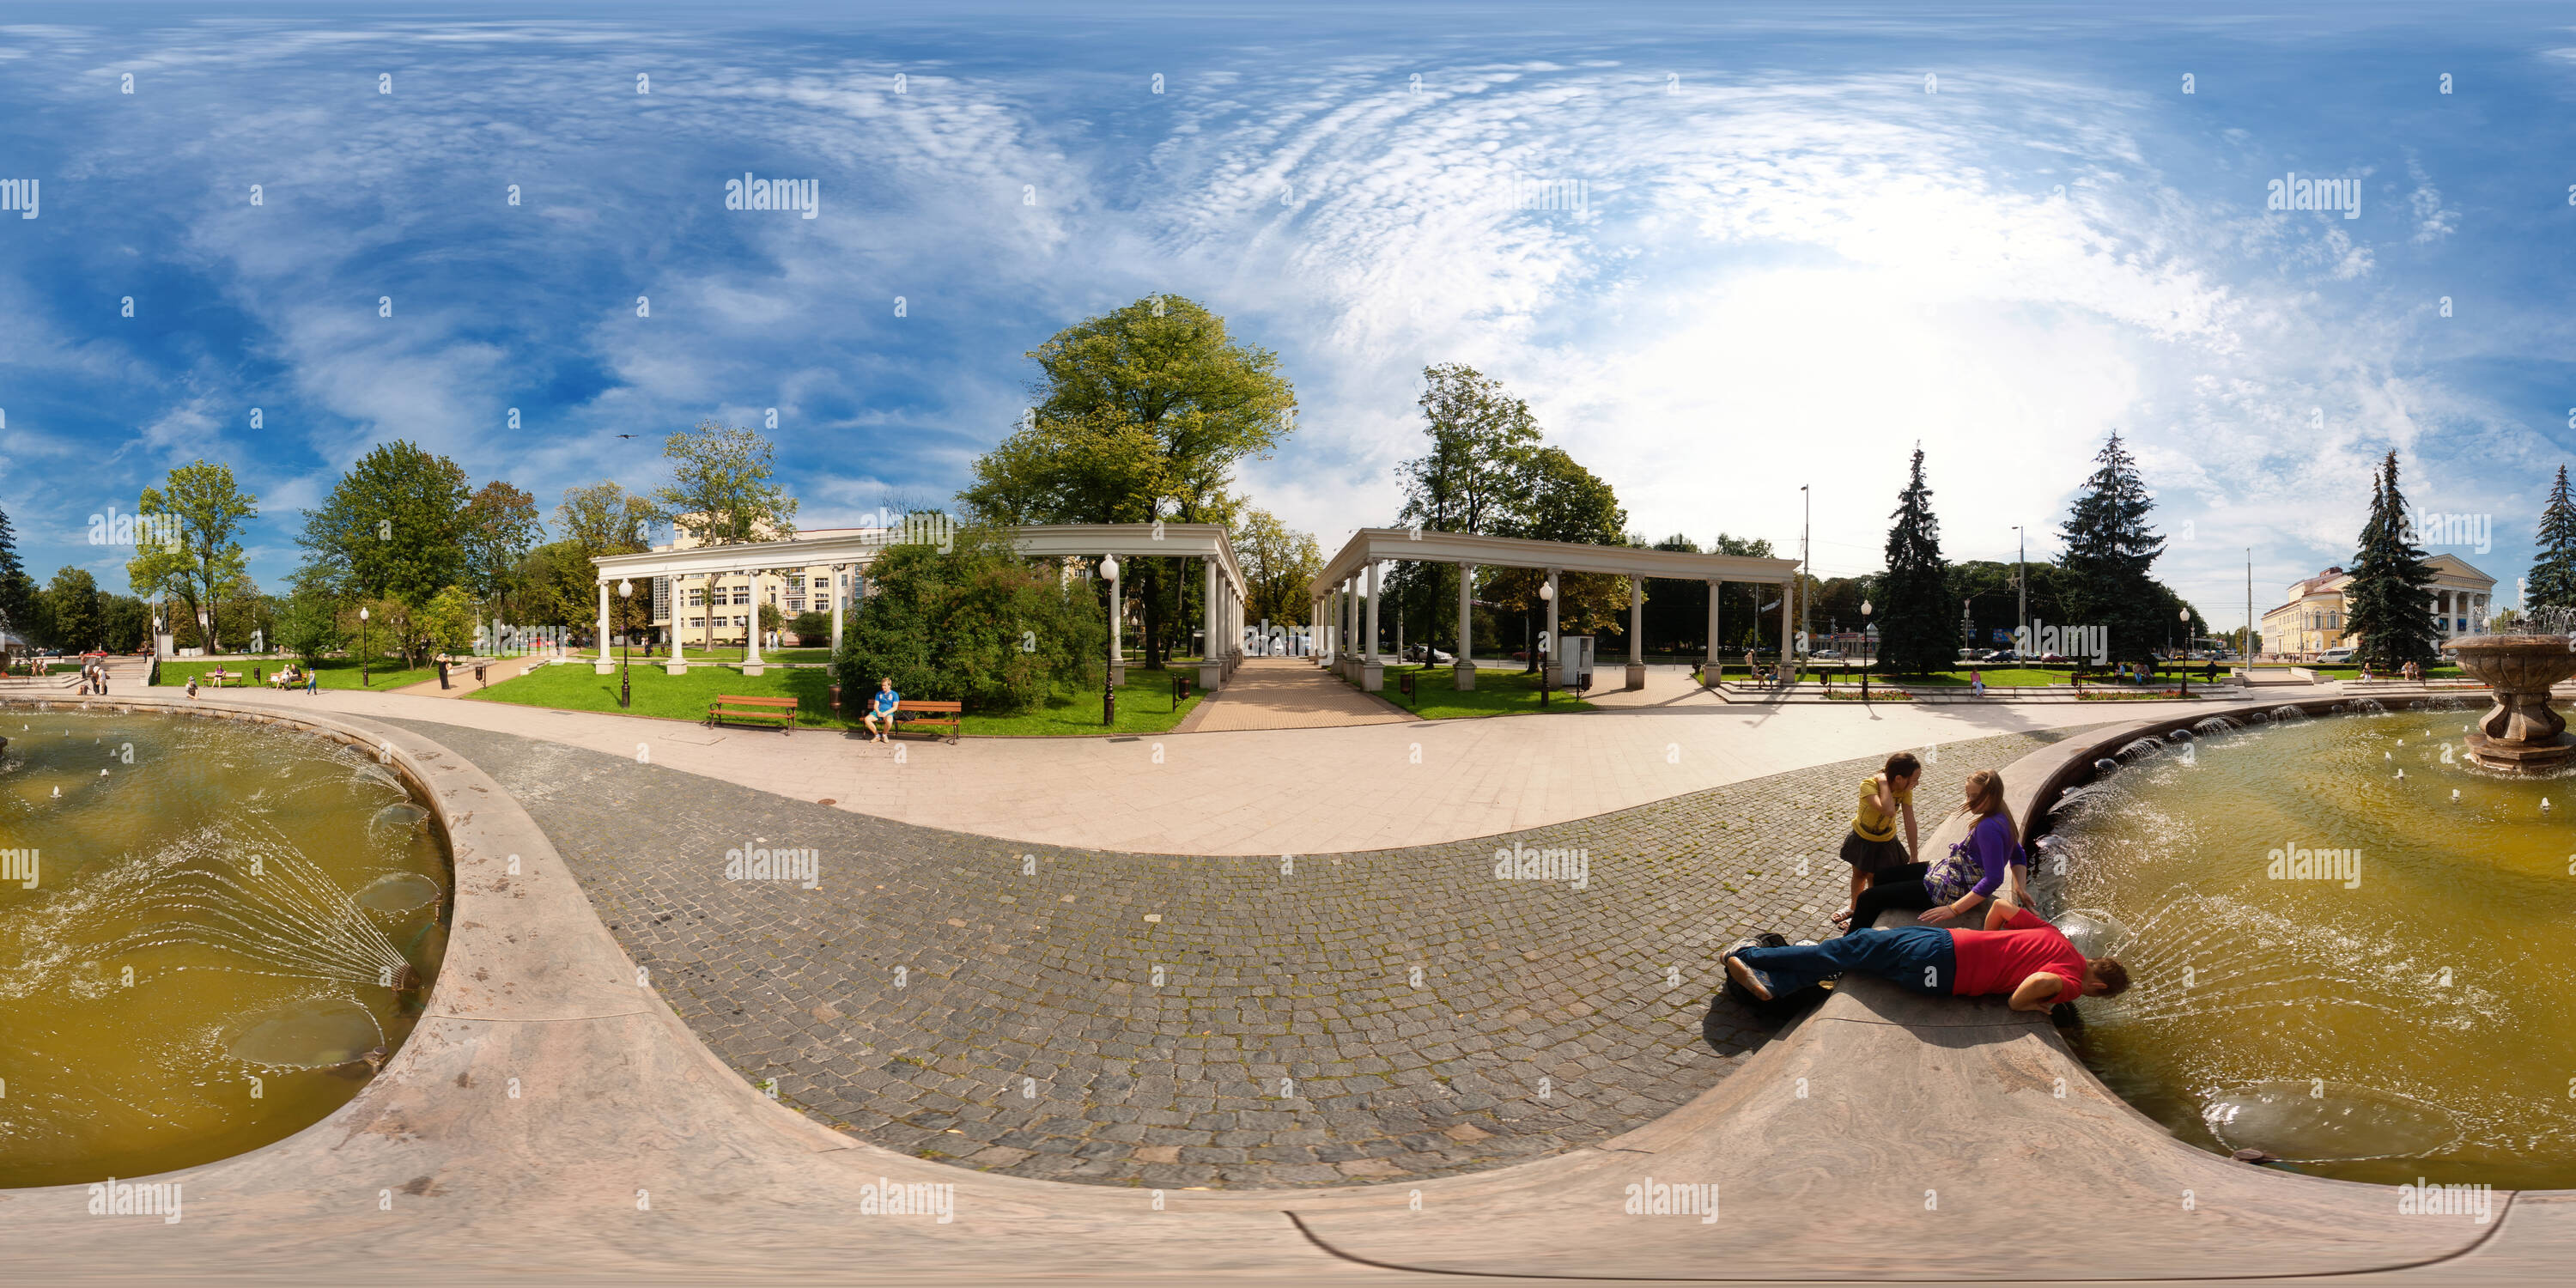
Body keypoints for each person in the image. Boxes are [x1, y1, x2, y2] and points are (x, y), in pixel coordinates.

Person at [1729, 891, 2129, 1009]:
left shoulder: (2059, 942)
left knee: (1853, 947)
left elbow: (2003, 908)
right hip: (1936, 983)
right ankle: (1775, 985)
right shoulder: (2075, 987)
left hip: (1945, 947)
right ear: (2099, 988)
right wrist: (2034, 1002)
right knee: (1859, 961)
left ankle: (1751, 956)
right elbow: (2037, 984)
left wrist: (1992, 943)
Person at [1844, 769, 2029, 935]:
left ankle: (1850, 944)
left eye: (1975, 797)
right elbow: (2017, 852)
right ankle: (1866, 923)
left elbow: (1994, 878)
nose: (1969, 801)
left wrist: (1954, 909)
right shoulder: (2002, 816)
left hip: (1952, 888)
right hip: (1952, 871)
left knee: (1869, 898)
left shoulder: (1989, 826)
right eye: (1968, 795)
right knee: (1883, 876)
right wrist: (2020, 887)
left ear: (1992, 796)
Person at [1832, 752, 1922, 927]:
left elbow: (1910, 821)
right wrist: (1882, 782)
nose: (1917, 784)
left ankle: (1863, 915)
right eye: (1914, 779)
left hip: (1885, 842)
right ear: (1899, 778)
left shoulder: (1904, 791)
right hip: (1862, 838)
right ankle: (1853, 907)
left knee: (1874, 879)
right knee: (1859, 875)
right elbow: (1887, 810)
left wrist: (1914, 855)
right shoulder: (1868, 785)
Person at [862, 677, 902, 743]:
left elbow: (895, 707)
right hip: (878, 712)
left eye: (885, 685)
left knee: (889, 720)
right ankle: (877, 736)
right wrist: (878, 712)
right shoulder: (879, 694)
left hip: (888, 713)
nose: (883, 687)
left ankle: (884, 735)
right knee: (867, 719)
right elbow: (876, 705)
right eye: (882, 685)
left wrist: (885, 713)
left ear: (889, 685)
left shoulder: (894, 694)